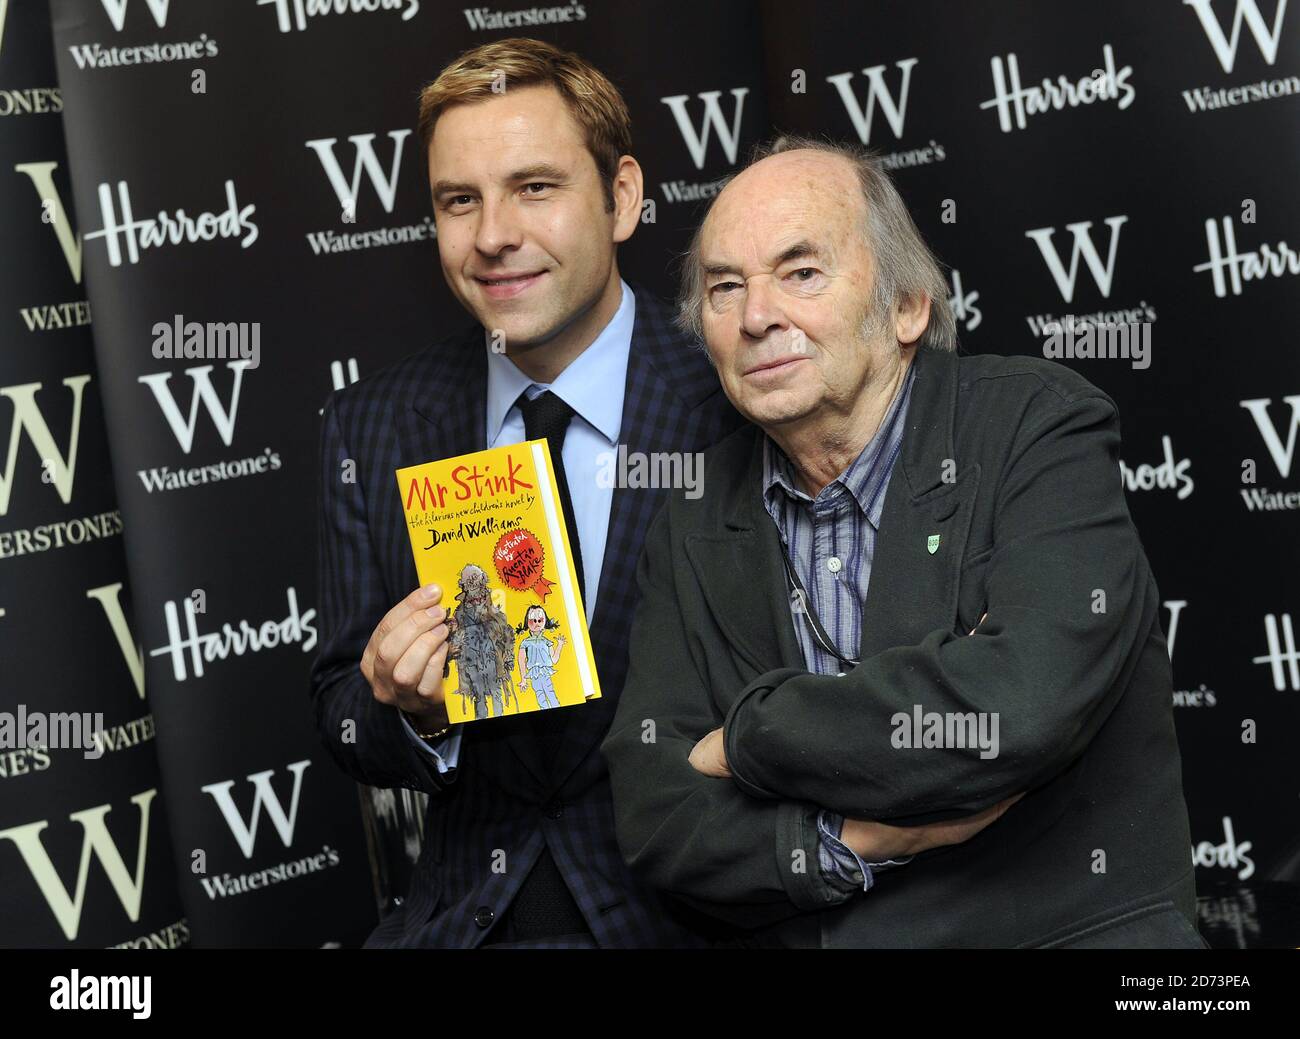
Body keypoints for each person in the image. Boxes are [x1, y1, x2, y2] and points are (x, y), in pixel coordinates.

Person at [601, 135, 1206, 948]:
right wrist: (842, 844)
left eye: (801, 273)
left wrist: (753, 734)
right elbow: (654, 806)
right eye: (724, 288)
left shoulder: (1036, 424)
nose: (756, 316)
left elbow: (1012, 710)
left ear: (907, 306)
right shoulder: (694, 510)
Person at [308, 38, 754, 948]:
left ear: (621, 197)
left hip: (702, 919)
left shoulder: (740, 397)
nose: (493, 235)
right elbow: (340, 714)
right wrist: (409, 710)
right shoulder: (376, 426)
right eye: (458, 201)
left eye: (534, 187)